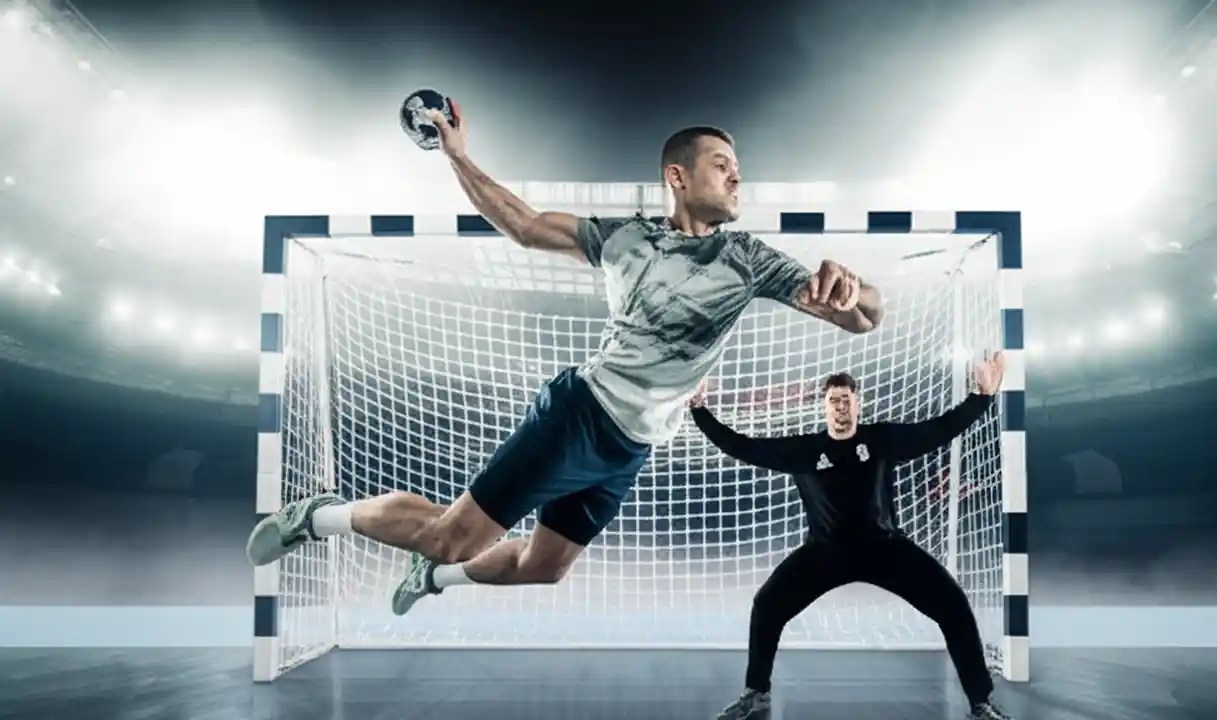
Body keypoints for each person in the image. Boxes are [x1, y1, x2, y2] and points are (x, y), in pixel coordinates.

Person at [246, 99, 887, 619]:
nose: (735, 175)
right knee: (450, 532)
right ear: (678, 176)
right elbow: (523, 224)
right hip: (581, 416)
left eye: (737, 166)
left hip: (630, 447)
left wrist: (856, 290)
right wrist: (460, 158)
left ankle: (436, 580)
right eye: (721, 164)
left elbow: (863, 319)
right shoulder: (625, 237)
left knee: (543, 567)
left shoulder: (750, 260)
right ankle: (317, 515)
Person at [689, 354, 1013, 720]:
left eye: (846, 399)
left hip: (885, 548)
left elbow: (938, 429)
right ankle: (757, 692)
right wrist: (699, 410)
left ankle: (980, 703)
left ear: (858, 404)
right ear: (824, 407)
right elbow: (741, 446)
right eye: (833, 400)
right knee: (767, 605)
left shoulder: (883, 439)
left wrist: (981, 396)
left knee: (953, 605)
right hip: (824, 553)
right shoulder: (804, 450)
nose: (840, 406)